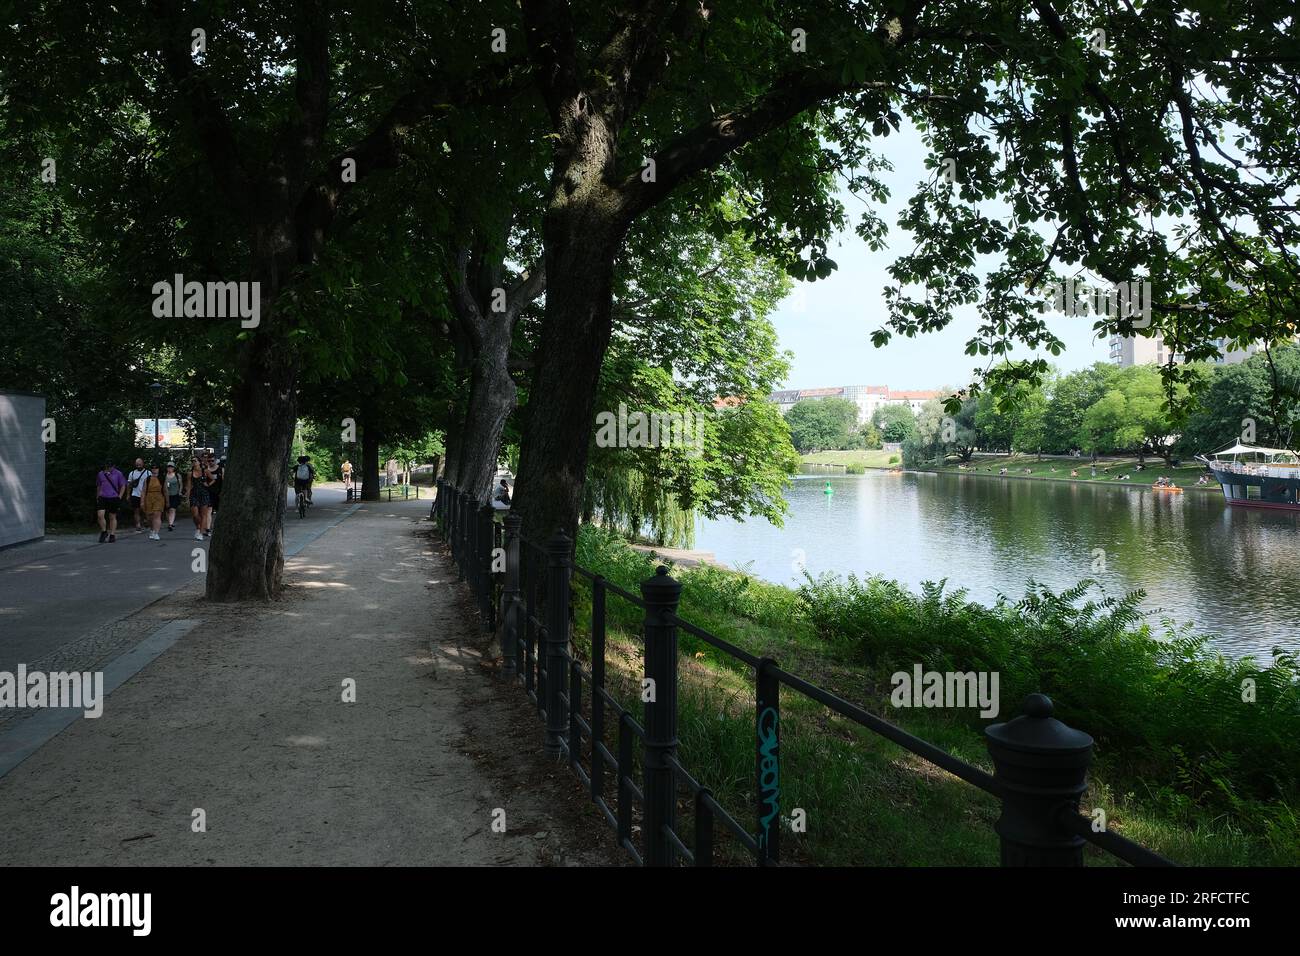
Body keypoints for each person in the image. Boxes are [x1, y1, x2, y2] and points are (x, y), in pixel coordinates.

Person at [95, 460, 127, 543]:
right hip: (103, 496)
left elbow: (123, 485)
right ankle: (104, 531)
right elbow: (99, 485)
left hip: (113, 497)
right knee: (100, 515)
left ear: (113, 466)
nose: (109, 468)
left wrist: (119, 496)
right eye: (107, 466)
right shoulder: (101, 474)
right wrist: (98, 496)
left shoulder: (118, 473)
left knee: (112, 516)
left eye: (110, 466)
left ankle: (112, 534)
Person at [186, 458, 212, 540]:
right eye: (192, 461)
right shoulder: (190, 473)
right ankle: (198, 527)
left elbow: (213, 479)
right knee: (195, 514)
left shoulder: (205, 471)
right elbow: (189, 486)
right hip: (194, 494)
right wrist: (187, 497)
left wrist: (208, 484)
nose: (193, 462)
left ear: (199, 462)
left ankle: (200, 533)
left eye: (195, 461)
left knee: (203, 514)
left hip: (204, 494)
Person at [141, 463, 167, 540]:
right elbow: (143, 490)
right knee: (149, 516)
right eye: (153, 468)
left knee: (157, 514)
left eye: (156, 468)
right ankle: (152, 529)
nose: (154, 469)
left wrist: (167, 501)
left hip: (159, 497)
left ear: (159, 469)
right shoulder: (147, 479)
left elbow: (165, 490)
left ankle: (156, 533)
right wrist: (142, 501)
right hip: (148, 497)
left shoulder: (162, 478)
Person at [126, 457, 147, 532]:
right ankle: (138, 524)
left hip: (145, 495)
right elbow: (128, 485)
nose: (138, 465)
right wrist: (128, 494)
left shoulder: (148, 473)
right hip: (135, 494)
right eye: (137, 464)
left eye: (140, 463)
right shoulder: (132, 473)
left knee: (145, 510)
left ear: (143, 464)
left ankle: (145, 520)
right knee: (136, 510)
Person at [164, 462, 182, 531]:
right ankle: (169, 522)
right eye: (168, 467)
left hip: (175, 494)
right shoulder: (164, 476)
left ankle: (170, 524)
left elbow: (181, 484)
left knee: (172, 509)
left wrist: (179, 491)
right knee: (167, 509)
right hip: (166, 495)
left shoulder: (177, 475)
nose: (170, 468)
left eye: (171, 467)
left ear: (174, 468)